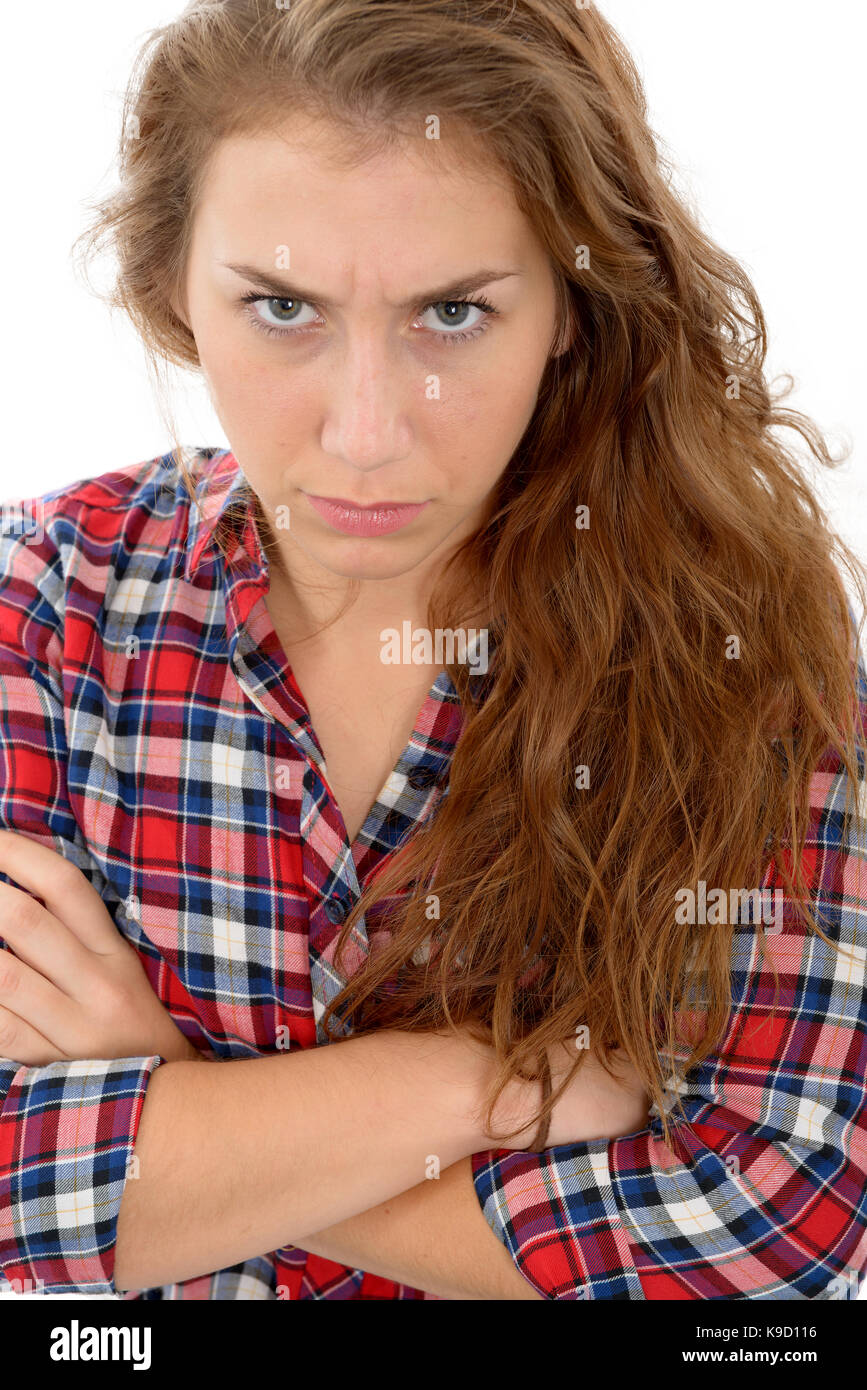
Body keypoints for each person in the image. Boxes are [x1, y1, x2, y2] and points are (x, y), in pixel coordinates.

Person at [0, 0, 865, 1302]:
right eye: (281, 306)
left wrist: (182, 1107)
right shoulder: (44, 607)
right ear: (173, 290)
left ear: (572, 308)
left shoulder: (748, 667)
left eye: (451, 314)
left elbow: (775, 1221)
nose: (363, 432)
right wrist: (485, 1083)